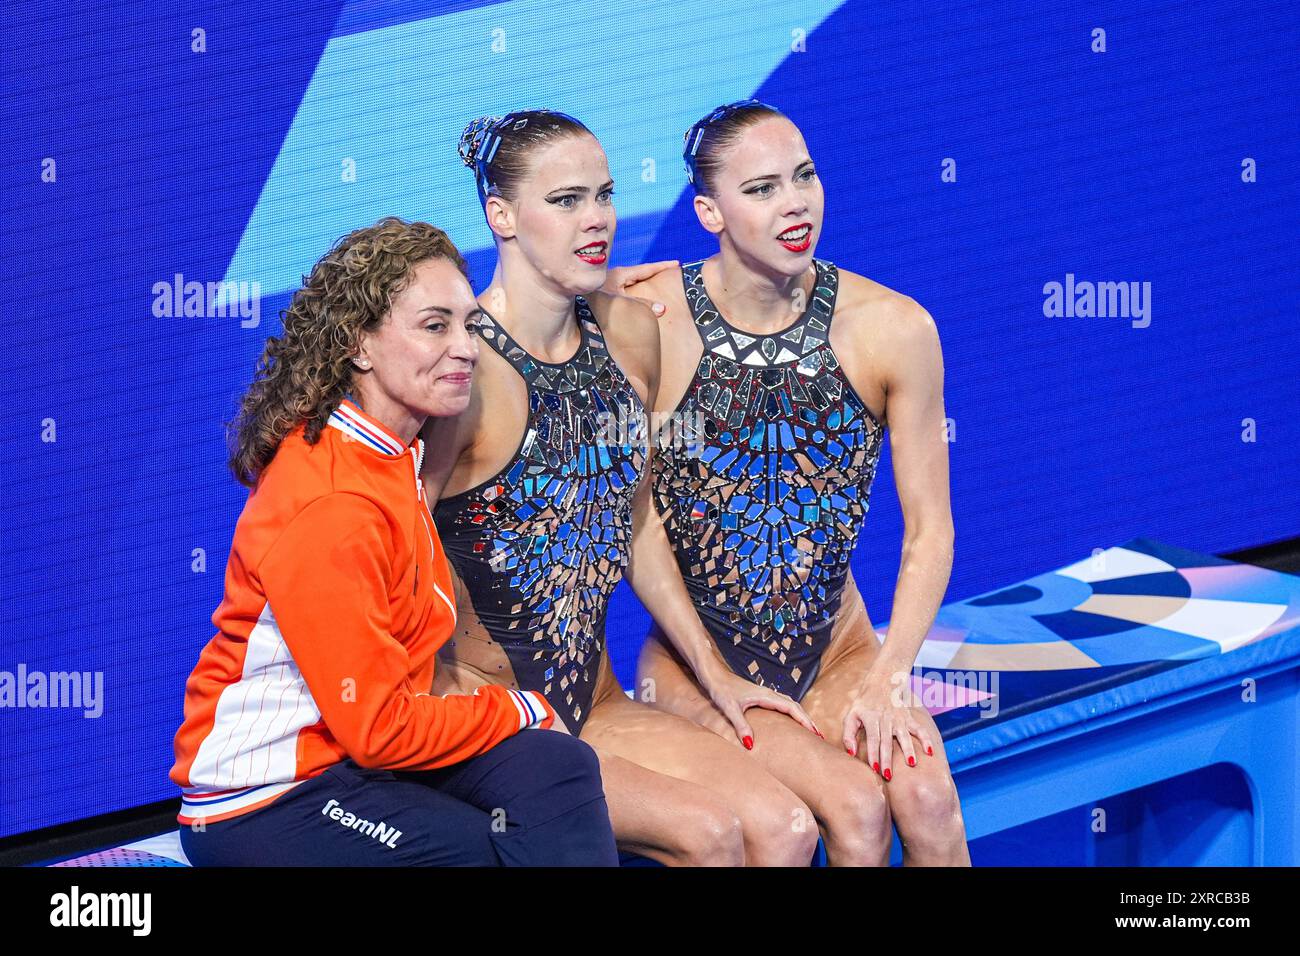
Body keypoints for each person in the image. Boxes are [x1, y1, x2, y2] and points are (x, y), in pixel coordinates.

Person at [423, 110, 828, 866]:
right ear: (500, 216)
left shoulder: (631, 334)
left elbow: (636, 518)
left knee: (787, 829)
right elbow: (398, 547)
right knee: (709, 834)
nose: (597, 219)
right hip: (499, 723)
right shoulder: (460, 369)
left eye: (603, 195)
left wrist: (716, 674)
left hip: (596, 702)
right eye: (566, 200)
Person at [170, 217, 618, 866]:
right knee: (476, 851)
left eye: (469, 323)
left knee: (559, 770)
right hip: (265, 794)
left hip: (352, 751)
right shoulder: (331, 501)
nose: (465, 347)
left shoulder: (389, 449)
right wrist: (516, 706)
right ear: (360, 345)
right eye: (435, 326)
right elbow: (379, 728)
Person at [624, 100, 971, 865]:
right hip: (695, 663)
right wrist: (601, 283)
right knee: (853, 811)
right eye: (761, 189)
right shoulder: (647, 323)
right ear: (709, 212)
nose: (795, 203)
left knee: (928, 800)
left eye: (805, 176)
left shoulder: (892, 328)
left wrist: (889, 674)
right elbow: (518, 309)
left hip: (839, 647)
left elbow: (929, 531)